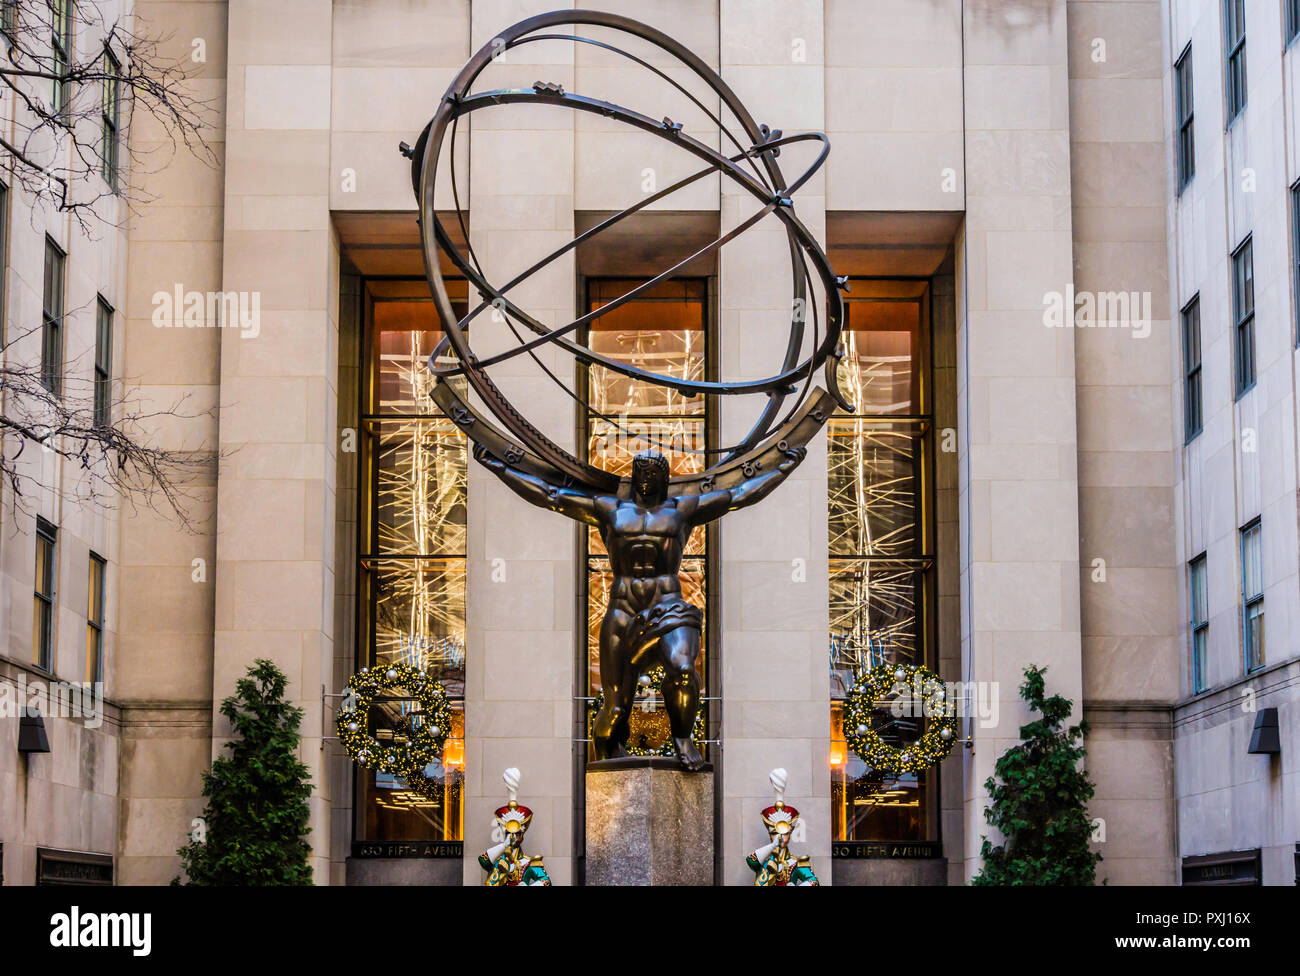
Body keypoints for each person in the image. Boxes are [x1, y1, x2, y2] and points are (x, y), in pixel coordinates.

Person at [475, 445, 804, 770]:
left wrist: (783, 468)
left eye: (652, 473)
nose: (644, 479)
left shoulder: (681, 510)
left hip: (668, 606)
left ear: (664, 478)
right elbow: (552, 497)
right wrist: (500, 468)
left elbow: (738, 496)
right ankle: (606, 767)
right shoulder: (610, 510)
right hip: (623, 611)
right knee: (616, 707)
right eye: (639, 473)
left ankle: (682, 738)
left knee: (684, 671)